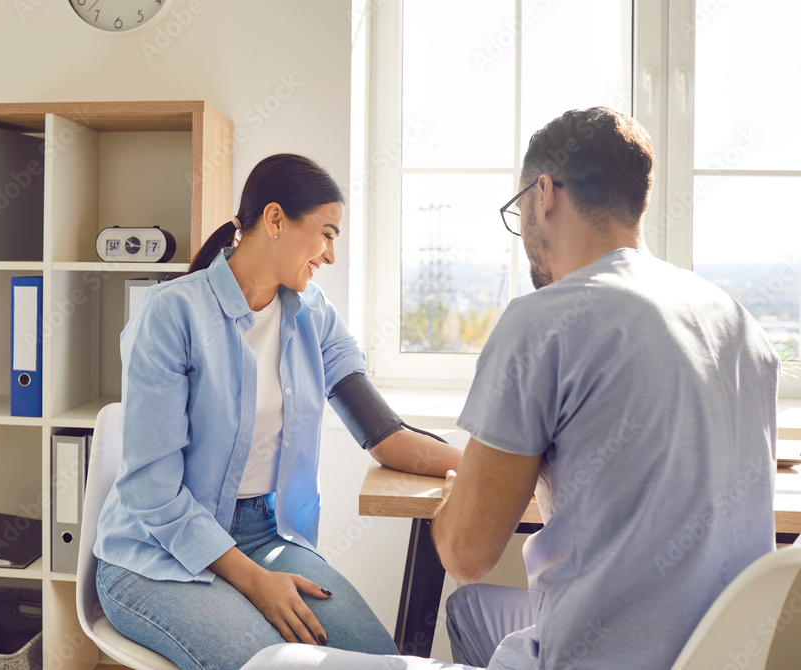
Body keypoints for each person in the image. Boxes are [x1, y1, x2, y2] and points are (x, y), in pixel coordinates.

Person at [242, 108, 779, 670]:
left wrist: (456, 500)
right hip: (720, 653)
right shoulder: (741, 325)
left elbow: (465, 554)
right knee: (474, 612)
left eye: (519, 205)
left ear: (542, 193)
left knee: (275, 663)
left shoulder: (544, 320)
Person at [93, 153, 464, 670]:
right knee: (279, 667)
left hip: (263, 535)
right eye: (327, 234)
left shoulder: (315, 315)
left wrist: (488, 470)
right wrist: (254, 580)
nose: (331, 256)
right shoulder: (171, 314)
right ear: (274, 220)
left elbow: (385, 435)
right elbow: (151, 493)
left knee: (381, 663)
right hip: (154, 554)